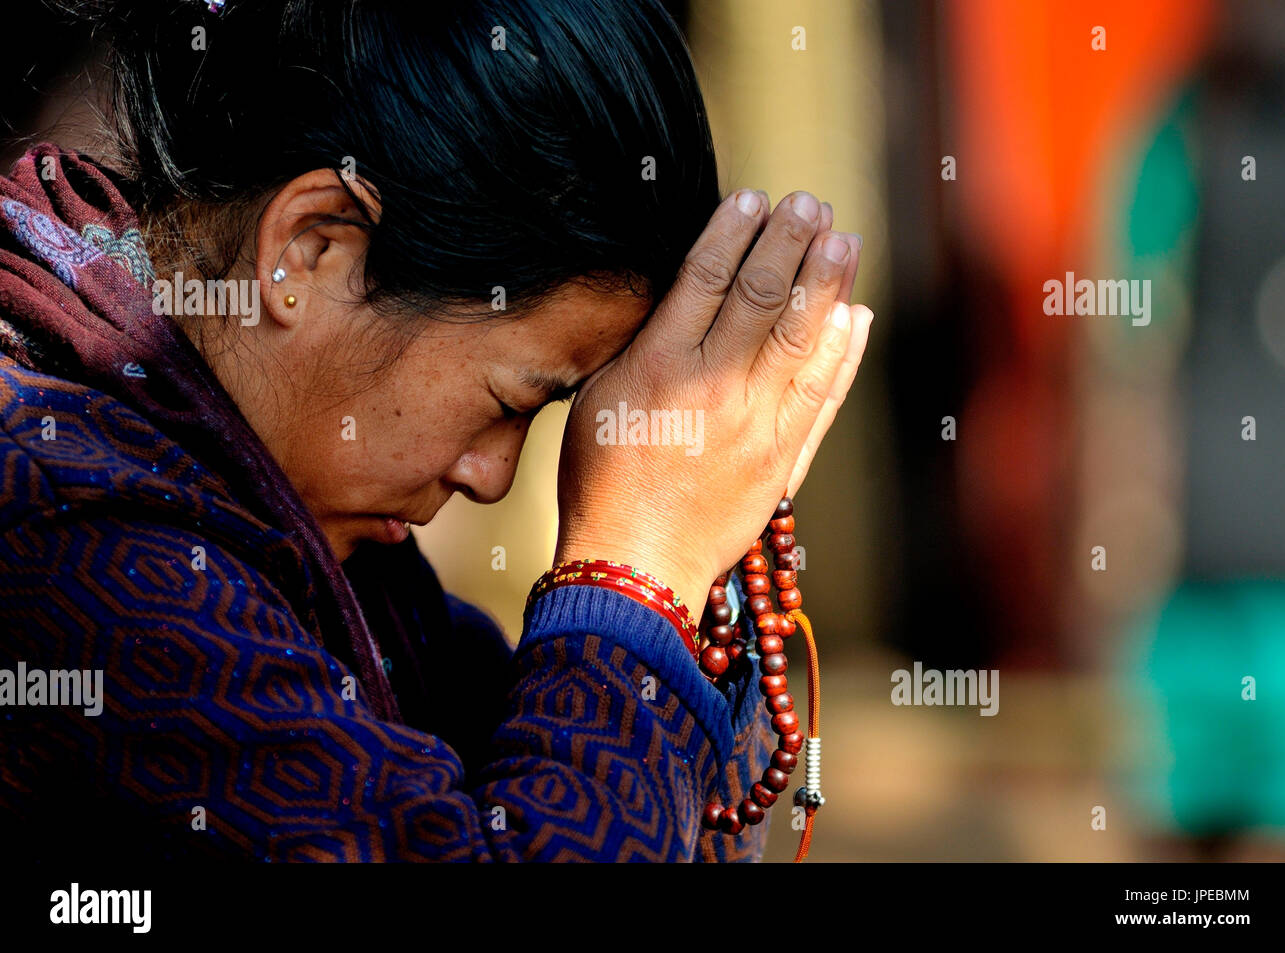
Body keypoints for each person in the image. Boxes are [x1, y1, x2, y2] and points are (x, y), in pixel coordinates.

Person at [0, 0, 871, 861]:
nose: (492, 476)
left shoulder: (308, 530)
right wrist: (639, 565)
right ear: (311, 250)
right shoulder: (66, 527)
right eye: (510, 399)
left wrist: (705, 524)